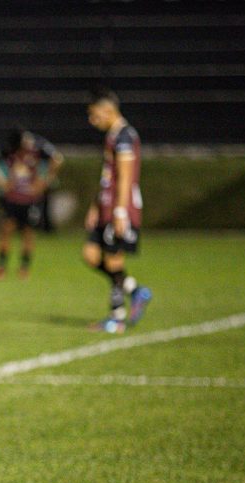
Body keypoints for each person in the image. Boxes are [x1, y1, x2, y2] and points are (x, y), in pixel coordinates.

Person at [83, 88, 152, 333]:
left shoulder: (125, 136)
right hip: (105, 207)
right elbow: (107, 177)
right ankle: (135, 290)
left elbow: (125, 177)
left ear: (108, 110)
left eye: (94, 115)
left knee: (113, 259)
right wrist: (94, 206)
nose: (92, 120)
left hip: (120, 208)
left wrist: (121, 211)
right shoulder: (112, 136)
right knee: (91, 255)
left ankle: (117, 318)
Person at [0, 128, 63, 279]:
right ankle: (0, 266)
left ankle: (24, 268)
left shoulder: (38, 148)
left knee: (28, 233)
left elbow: (57, 159)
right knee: (6, 230)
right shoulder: (9, 150)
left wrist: (44, 183)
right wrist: (1, 182)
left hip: (31, 199)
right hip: (12, 198)